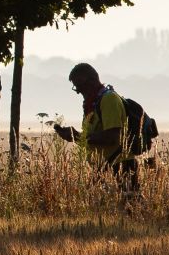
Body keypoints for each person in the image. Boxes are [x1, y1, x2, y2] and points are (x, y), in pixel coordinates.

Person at [54, 61, 136, 196]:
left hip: (121, 166)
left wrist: (77, 136)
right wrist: (73, 136)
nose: (78, 92)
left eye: (79, 86)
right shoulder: (93, 104)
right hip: (103, 166)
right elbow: (93, 136)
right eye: (76, 88)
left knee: (130, 209)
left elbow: (112, 138)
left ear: (92, 81)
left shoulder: (109, 100)